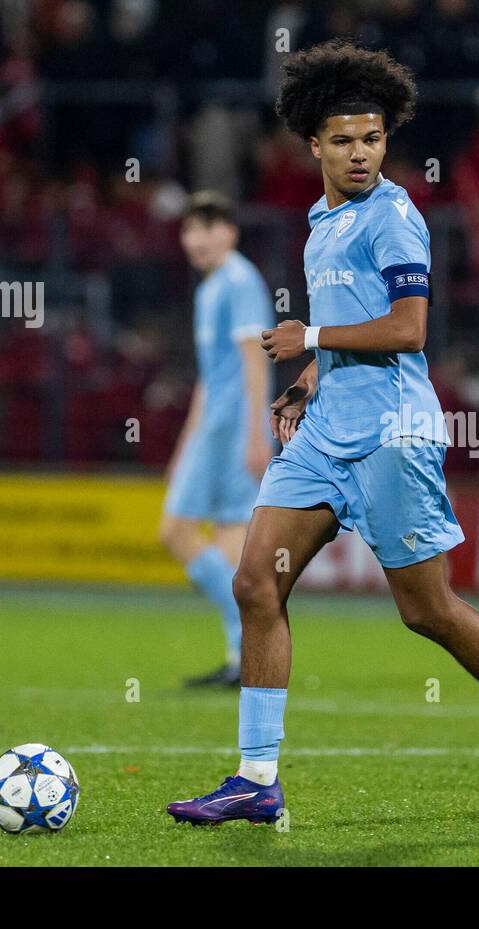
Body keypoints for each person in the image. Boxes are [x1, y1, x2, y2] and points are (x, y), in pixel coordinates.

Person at [167, 40, 479, 826]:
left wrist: (312, 339)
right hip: (328, 435)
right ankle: (257, 778)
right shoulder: (322, 222)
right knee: (256, 582)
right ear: (314, 145)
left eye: (373, 138)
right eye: (345, 140)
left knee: (427, 610)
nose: (361, 153)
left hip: (394, 434)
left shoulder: (395, 218)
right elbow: (347, 328)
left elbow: (407, 327)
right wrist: (307, 381)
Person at [159, 192, 274, 688]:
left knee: (176, 531)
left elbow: (256, 359)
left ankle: (252, 636)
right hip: (213, 428)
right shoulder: (209, 290)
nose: (197, 239)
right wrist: (185, 444)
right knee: (225, 545)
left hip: (234, 429)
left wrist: (257, 434)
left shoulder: (240, 280)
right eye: (190, 229)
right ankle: (241, 657)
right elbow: (209, 378)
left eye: (208, 227)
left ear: (230, 232)